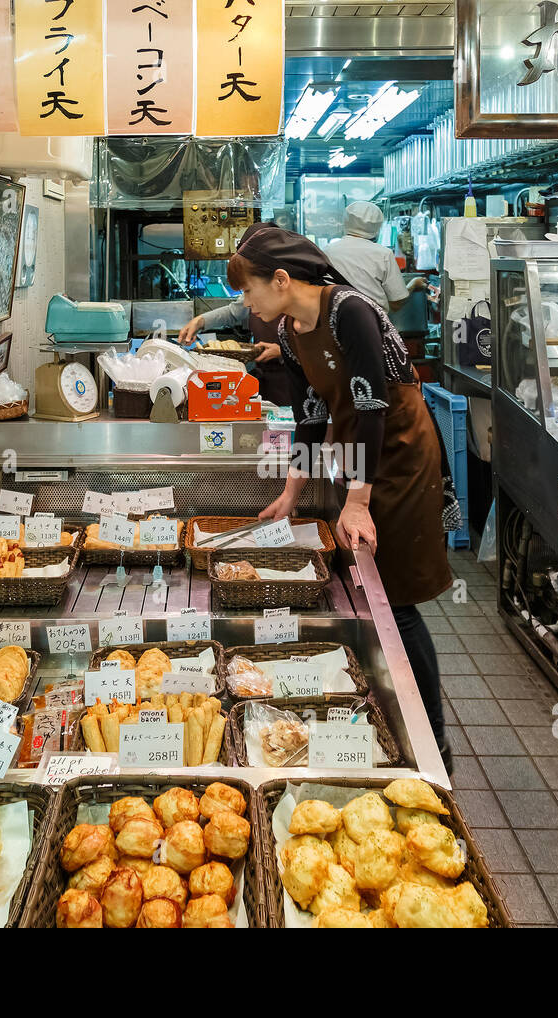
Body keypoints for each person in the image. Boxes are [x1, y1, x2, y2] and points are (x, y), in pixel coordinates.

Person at [225, 227, 458, 768]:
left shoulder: (348, 309)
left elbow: (371, 405)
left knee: (396, 600)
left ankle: (434, 744)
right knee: (375, 593)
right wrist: (290, 492)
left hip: (397, 454)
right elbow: (311, 415)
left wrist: (357, 501)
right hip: (359, 456)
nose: (246, 302)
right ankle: (391, 722)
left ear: (281, 280)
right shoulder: (289, 330)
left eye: (249, 289)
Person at [178, 223, 292, 403]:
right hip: (265, 378)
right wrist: (200, 321)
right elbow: (234, 312)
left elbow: (321, 352)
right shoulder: (258, 290)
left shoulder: (296, 295)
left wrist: (283, 351)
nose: (248, 302)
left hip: (291, 382)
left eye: (248, 291)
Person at [325, 201, 429, 311]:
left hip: (335, 322)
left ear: (345, 221)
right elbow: (396, 303)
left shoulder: (327, 251)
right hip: (371, 323)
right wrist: (413, 285)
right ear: (377, 226)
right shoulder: (383, 254)